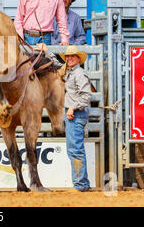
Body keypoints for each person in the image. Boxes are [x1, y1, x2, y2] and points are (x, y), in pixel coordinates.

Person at [59, 45, 92, 192]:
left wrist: (73, 107)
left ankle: (80, 185)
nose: (69, 58)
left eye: (72, 56)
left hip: (75, 113)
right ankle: (82, 183)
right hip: (74, 113)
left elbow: (86, 96)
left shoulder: (78, 74)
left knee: (75, 150)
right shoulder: (71, 72)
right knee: (75, 149)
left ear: (78, 59)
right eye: (67, 56)